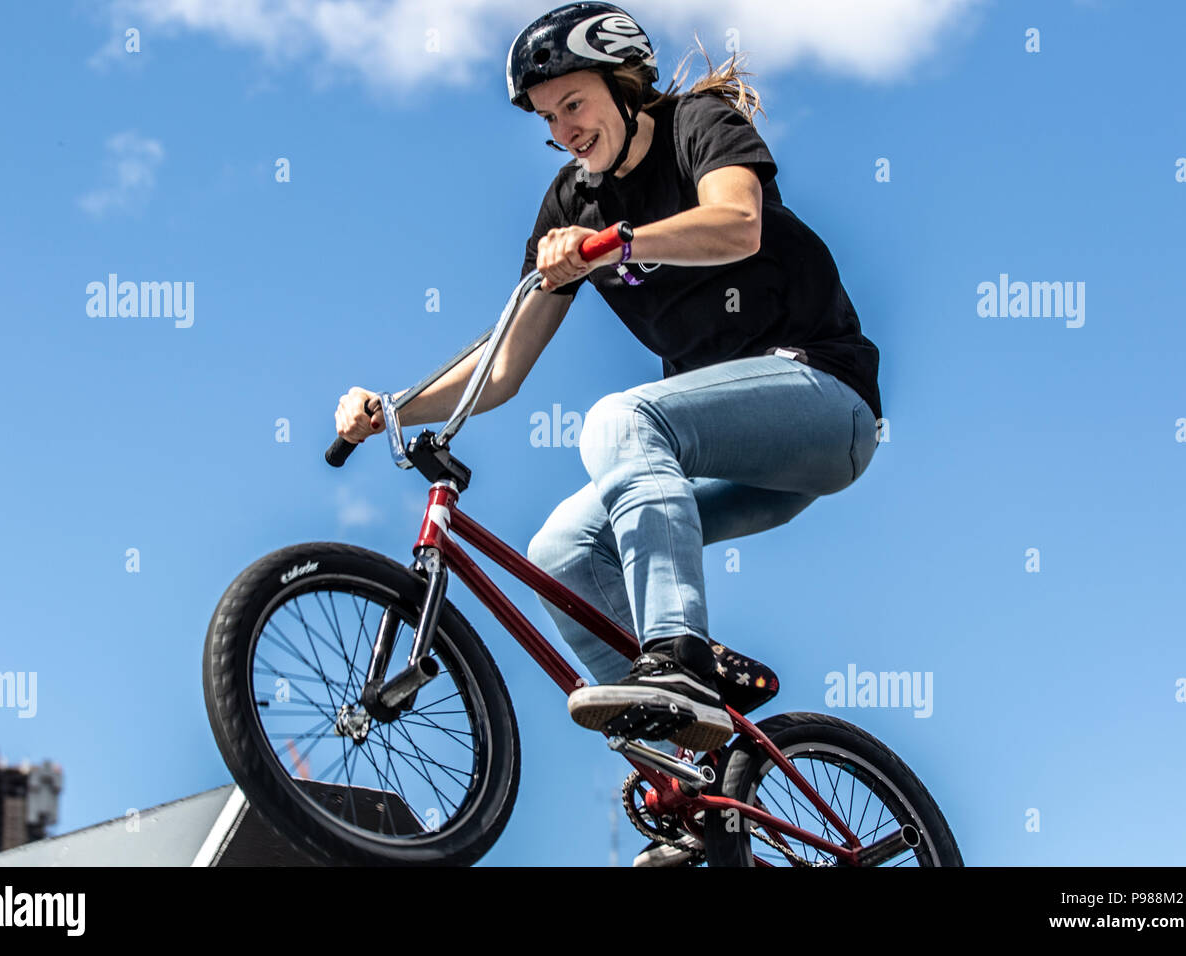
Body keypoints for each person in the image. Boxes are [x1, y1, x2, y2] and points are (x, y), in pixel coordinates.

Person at [336, 1, 881, 863]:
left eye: (574, 105)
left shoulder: (698, 125)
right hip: (728, 457)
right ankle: (694, 788)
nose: (564, 132)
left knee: (624, 418)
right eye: (547, 120)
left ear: (625, 86)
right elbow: (502, 367)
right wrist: (395, 407)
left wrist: (616, 245)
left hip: (824, 405)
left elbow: (737, 225)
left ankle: (679, 659)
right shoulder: (572, 199)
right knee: (562, 551)